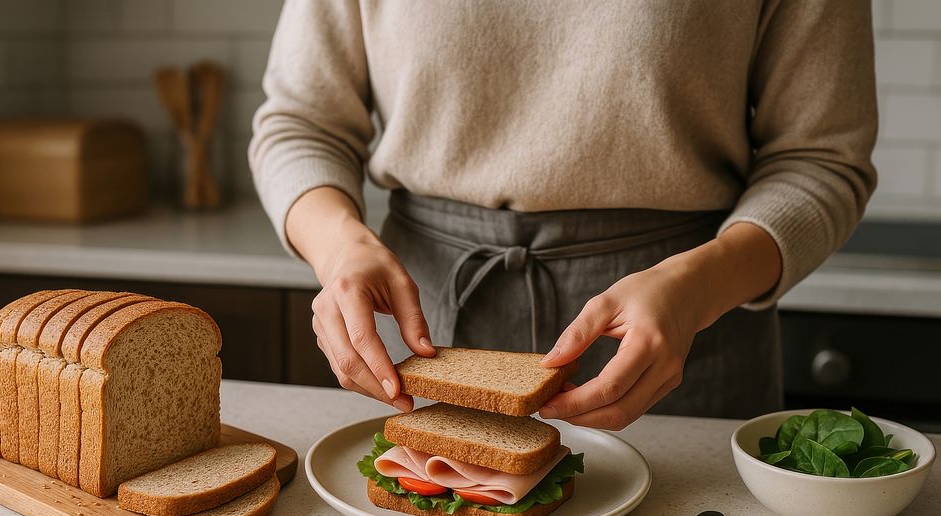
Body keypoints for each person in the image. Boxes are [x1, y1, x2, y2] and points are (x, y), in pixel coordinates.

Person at [249, 1, 876, 429]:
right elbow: (301, 123)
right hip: (424, 331)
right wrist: (339, 251)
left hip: (681, 335)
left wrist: (699, 287)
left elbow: (822, 158)